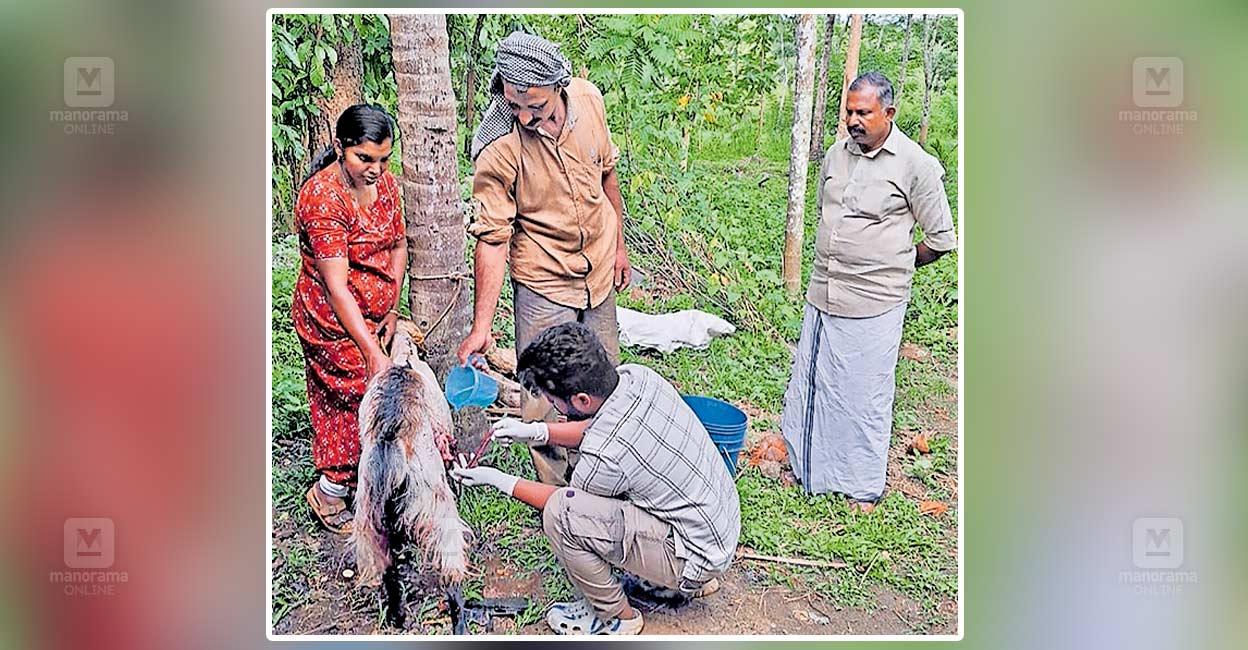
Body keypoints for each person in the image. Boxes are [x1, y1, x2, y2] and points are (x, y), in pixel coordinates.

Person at [451, 323, 740, 635]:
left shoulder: (605, 459)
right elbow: (600, 428)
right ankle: (682, 579)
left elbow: (567, 504)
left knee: (562, 518)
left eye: (553, 400)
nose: (551, 406)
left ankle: (619, 617)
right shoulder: (637, 377)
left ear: (581, 400)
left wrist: (498, 480)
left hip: (696, 556)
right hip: (717, 528)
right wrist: (536, 431)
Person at [456, 31, 632, 487]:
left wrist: (618, 246)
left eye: (535, 105)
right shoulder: (499, 145)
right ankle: (554, 492)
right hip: (543, 277)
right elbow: (492, 238)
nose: (524, 117)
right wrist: (481, 326)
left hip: (598, 266)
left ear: (558, 85)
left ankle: (601, 476)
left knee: (602, 377)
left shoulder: (588, 101)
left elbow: (608, 176)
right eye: (514, 105)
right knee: (542, 391)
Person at [782, 72, 958, 513]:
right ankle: (807, 470)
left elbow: (940, 239)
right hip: (824, 292)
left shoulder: (915, 165)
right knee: (814, 385)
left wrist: (894, 263)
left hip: (876, 303)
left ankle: (860, 487)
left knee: (863, 397)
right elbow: (826, 211)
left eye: (864, 113)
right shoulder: (836, 155)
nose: (853, 121)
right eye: (849, 112)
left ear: (889, 113)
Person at [292, 104, 405, 534]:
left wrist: (391, 307)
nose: (376, 169)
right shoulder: (323, 198)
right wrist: (371, 351)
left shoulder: (386, 185)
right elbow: (336, 287)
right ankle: (330, 491)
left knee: (374, 398)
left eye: (384, 159)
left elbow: (398, 245)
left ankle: (366, 484)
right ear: (340, 148)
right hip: (332, 322)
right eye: (365, 158)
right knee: (355, 398)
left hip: (374, 317)